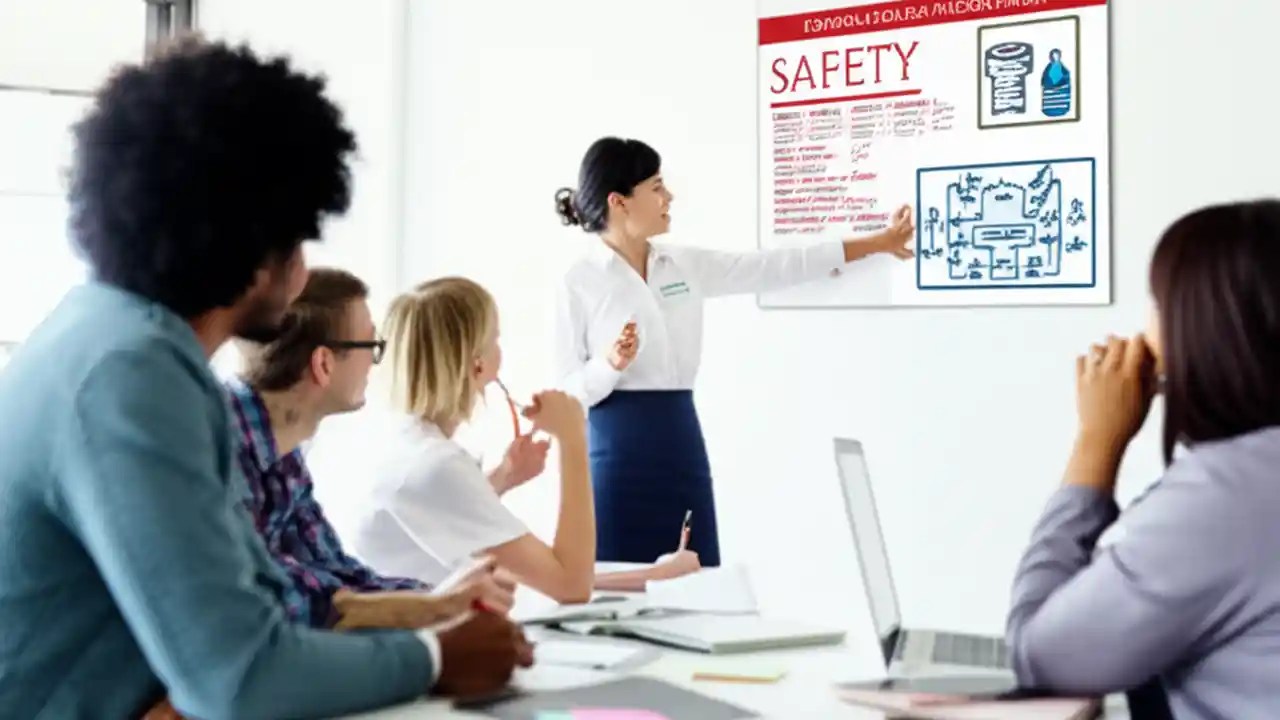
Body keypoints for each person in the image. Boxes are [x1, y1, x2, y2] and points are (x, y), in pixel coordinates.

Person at [0, 39, 529, 720]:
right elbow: (242, 678)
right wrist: (436, 658)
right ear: (249, 241)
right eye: (298, 239)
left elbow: (264, 614)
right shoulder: (135, 375)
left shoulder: (98, 331)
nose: (303, 271)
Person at [552, 136, 915, 566]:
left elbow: (775, 267)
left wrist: (878, 243)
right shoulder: (579, 282)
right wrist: (609, 365)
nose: (669, 197)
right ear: (620, 201)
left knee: (699, 579)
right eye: (656, 186)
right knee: (616, 587)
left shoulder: (684, 265)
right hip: (615, 454)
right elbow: (567, 394)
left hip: (680, 440)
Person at [1006, 199, 1280, 718]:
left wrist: (1097, 442)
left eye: (1158, 307)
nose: (1145, 334)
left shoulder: (1229, 500)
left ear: (1207, 326)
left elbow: (1041, 659)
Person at [340, 277, 700, 604]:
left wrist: (504, 476)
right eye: (495, 338)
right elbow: (570, 586)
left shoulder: (404, 444)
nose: (501, 348)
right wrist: (573, 438)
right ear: (477, 365)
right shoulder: (434, 464)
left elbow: (461, 528)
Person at [228, 267, 517, 630]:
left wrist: (450, 598)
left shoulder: (284, 454)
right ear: (324, 364)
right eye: (371, 345)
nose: (376, 361)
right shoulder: (221, 449)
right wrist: (439, 605)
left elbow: (338, 574)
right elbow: (279, 601)